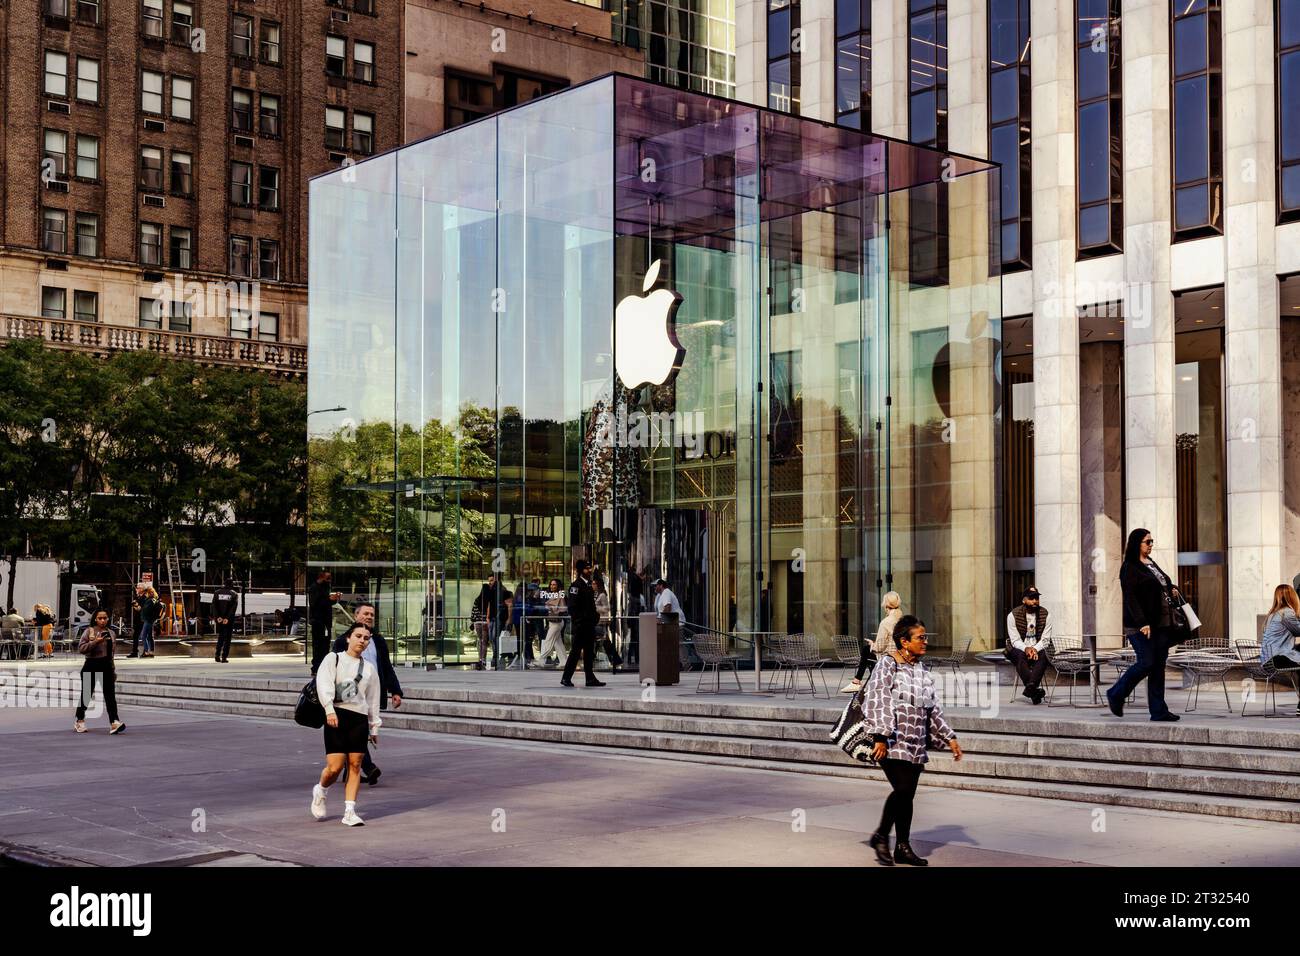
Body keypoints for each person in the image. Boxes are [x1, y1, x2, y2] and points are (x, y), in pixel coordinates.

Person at [863, 615, 962, 866]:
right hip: (892, 740)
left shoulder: (920, 669)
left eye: (925, 637)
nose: (925, 642)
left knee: (907, 795)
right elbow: (877, 699)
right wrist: (880, 737)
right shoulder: (887, 664)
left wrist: (949, 736)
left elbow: (933, 707)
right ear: (904, 641)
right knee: (903, 791)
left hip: (916, 742)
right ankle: (882, 836)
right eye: (920, 638)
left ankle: (903, 847)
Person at [1108, 528, 1183, 722]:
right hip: (1140, 625)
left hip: (1161, 625)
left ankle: (1158, 711)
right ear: (1136, 544)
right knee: (1146, 662)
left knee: (1158, 666)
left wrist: (1172, 588)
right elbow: (1131, 598)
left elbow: (1162, 584)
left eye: (1152, 541)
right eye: (1147, 542)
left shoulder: (1151, 563)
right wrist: (1142, 622)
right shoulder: (1129, 566)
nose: (1151, 545)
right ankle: (1116, 693)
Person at [311, 625, 381, 827]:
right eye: (358, 636)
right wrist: (329, 710)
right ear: (348, 638)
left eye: (366, 638)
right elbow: (323, 683)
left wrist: (374, 727)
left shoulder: (369, 668)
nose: (362, 641)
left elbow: (373, 699)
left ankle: (350, 811)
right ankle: (321, 790)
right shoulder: (334, 658)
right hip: (337, 715)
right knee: (334, 767)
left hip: (358, 718)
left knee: (355, 765)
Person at [332, 603, 402, 785]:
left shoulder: (378, 641)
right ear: (356, 616)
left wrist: (395, 690)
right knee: (358, 731)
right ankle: (368, 767)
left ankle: (350, 772)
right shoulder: (343, 640)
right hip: (349, 695)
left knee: (356, 731)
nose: (369, 617)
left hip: (370, 693)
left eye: (372, 614)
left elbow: (386, 667)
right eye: (365, 614)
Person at [73, 609, 126, 735]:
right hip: (91, 664)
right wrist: (96, 642)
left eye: (105, 618)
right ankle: (79, 720)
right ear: (95, 619)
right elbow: (81, 648)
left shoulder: (111, 633)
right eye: (100, 618)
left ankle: (114, 721)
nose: (103, 620)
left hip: (106, 665)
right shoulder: (89, 631)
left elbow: (112, 654)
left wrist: (113, 670)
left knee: (110, 696)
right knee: (86, 695)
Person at [842, 591, 901, 694]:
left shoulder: (886, 622)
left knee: (866, 650)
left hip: (888, 658)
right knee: (869, 655)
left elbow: (879, 648)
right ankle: (873, 683)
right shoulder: (902, 620)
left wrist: (872, 644)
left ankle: (858, 681)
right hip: (900, 656)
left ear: (886, 605)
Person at [1005, 586, 1052, 704]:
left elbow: (1045, 639)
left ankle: (1030, 688)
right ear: (1024, 600)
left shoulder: (1046, 614)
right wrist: (1026, 649)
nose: (1035, 601)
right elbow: (1015, 640)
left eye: (1036, 598)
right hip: (1019, 647)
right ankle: (1034, 691)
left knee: (1045, 655)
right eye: (1031, 598)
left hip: (1039, 647)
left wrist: (1034, 649)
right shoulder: (1013, 615)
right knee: (1019, 656)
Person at [562, 560, 605, 688]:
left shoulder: (587, 586)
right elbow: (572, 607)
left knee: (588, 653)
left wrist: (595, 617)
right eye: (587, 569)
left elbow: (590, 606)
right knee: (575, 652)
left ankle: (590, 678)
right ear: (581, 571)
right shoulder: (576, 586)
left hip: (589, 625)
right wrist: (579, 622)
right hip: (581, 626)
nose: (589, 571)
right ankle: (566, 678)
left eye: (589, 568)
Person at [1261, 584, 1300, 670]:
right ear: (1292, 597)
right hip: (1277, 659)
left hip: (1267, 660)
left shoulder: (1272, 614)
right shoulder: (1286, 612)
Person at [309, 571, 341, 673]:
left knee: (325, 645)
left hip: (326, 622)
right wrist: (329, 599)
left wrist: (334, 599)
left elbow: (326, 603)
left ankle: (323, 665)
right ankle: (316, 666)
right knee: (318, 645)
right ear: (321, 577)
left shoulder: (325, 588)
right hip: (318, 622)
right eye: (327, 578)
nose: (329, 580)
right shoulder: (314, 588)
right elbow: (315, 603)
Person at [472, 574, 503, 670]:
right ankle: (483, 659)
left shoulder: (477, 600)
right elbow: (490, 612)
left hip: (477, 623)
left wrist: (473, 620)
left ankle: (481, 658)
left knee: (480, 641)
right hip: (485, 622)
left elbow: (473, 613)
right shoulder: (489, 600)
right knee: (485, 642)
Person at [594, 573, 622, 674]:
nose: (593, 586)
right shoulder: (597, 594)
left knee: (604, 642)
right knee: (603, 642)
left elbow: (607, 608)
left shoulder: (602, 595)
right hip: (599, 621)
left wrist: (596, 608)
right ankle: (615, 659)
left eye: (594, 584)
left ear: (598, 585)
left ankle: (615, 659)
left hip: (602, 621)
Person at [538, 579, 568, 668]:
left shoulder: (560, 595)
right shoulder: (550, 595)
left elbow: (563, 609)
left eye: (554, 584)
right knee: (558, 643)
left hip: (557, 622)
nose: (552, 586)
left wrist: (552, 608)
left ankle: (541, 661)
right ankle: (564, 661)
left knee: (548, 641)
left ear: (558, 586)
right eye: (551, 584)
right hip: (552, 621)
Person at [211, 579, 238, 663]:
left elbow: (214, 606)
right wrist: (227, 618)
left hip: (219, 619)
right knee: (227, 639)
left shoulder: (217, 592)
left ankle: (217, 655)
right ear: (232, 584)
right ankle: (224, 657)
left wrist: (218, 617)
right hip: (228, 620)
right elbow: (233, 608)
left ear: (224, 584)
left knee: (220, 637)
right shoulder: (234, 594)